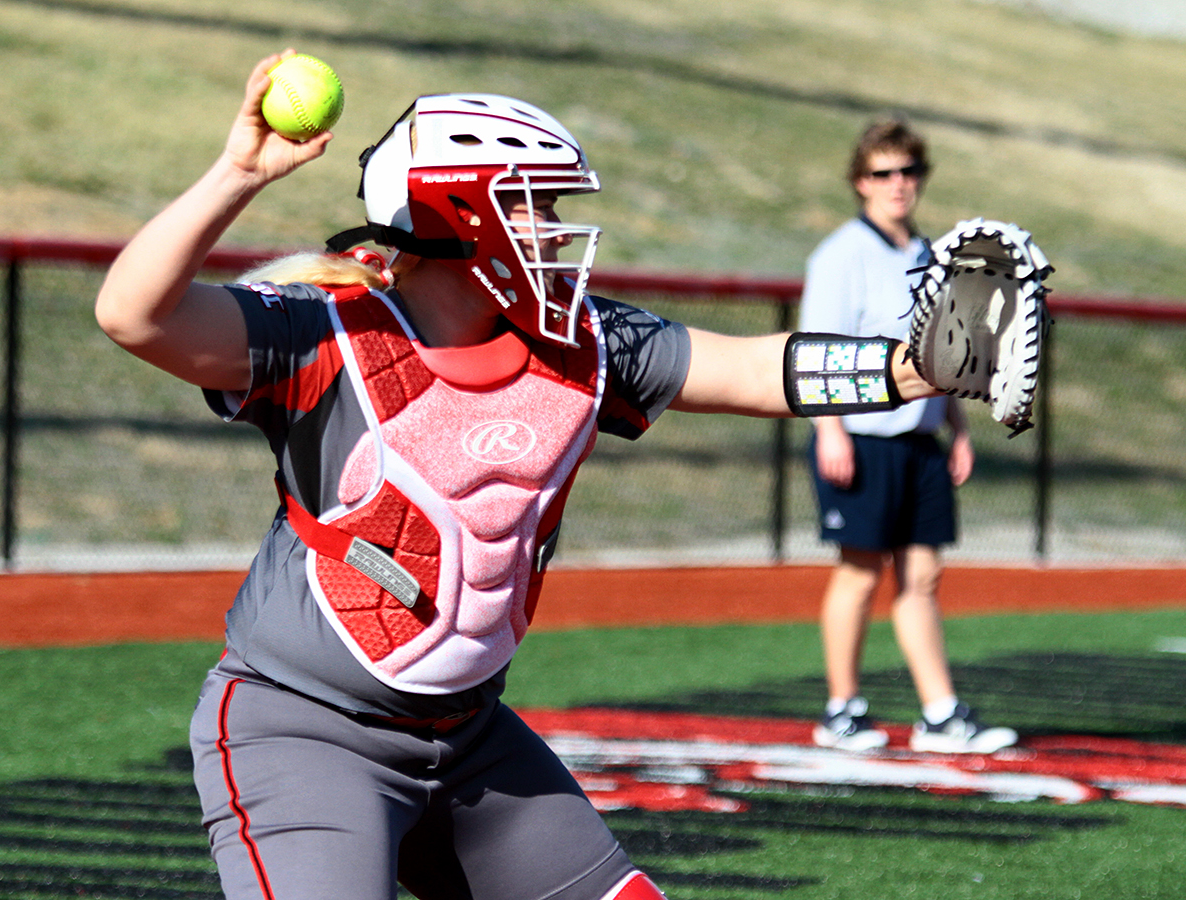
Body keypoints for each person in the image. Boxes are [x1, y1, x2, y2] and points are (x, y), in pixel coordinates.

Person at [96, 52, 944, 900]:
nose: (553, 228)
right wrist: (237, 174)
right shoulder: (324, 334)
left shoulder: (580, 341)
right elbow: (133, 314)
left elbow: (761, 372)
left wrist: (916, 367)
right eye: (532, 203)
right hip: (305, 734)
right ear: (457, 210)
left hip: (472, 747)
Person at [799, 118, 1018, 755]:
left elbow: (942, 356)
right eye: (883, 173)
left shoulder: (928, 254)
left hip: (918, 440)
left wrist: (956, 427)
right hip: (862, 435)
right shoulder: (841, 254)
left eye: (908, 172)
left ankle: (940, 713)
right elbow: (816, 353)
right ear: (860, 182)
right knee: (860, 574)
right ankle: (840, 709)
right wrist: (829, 433)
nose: (898, 185)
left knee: (922, 577)